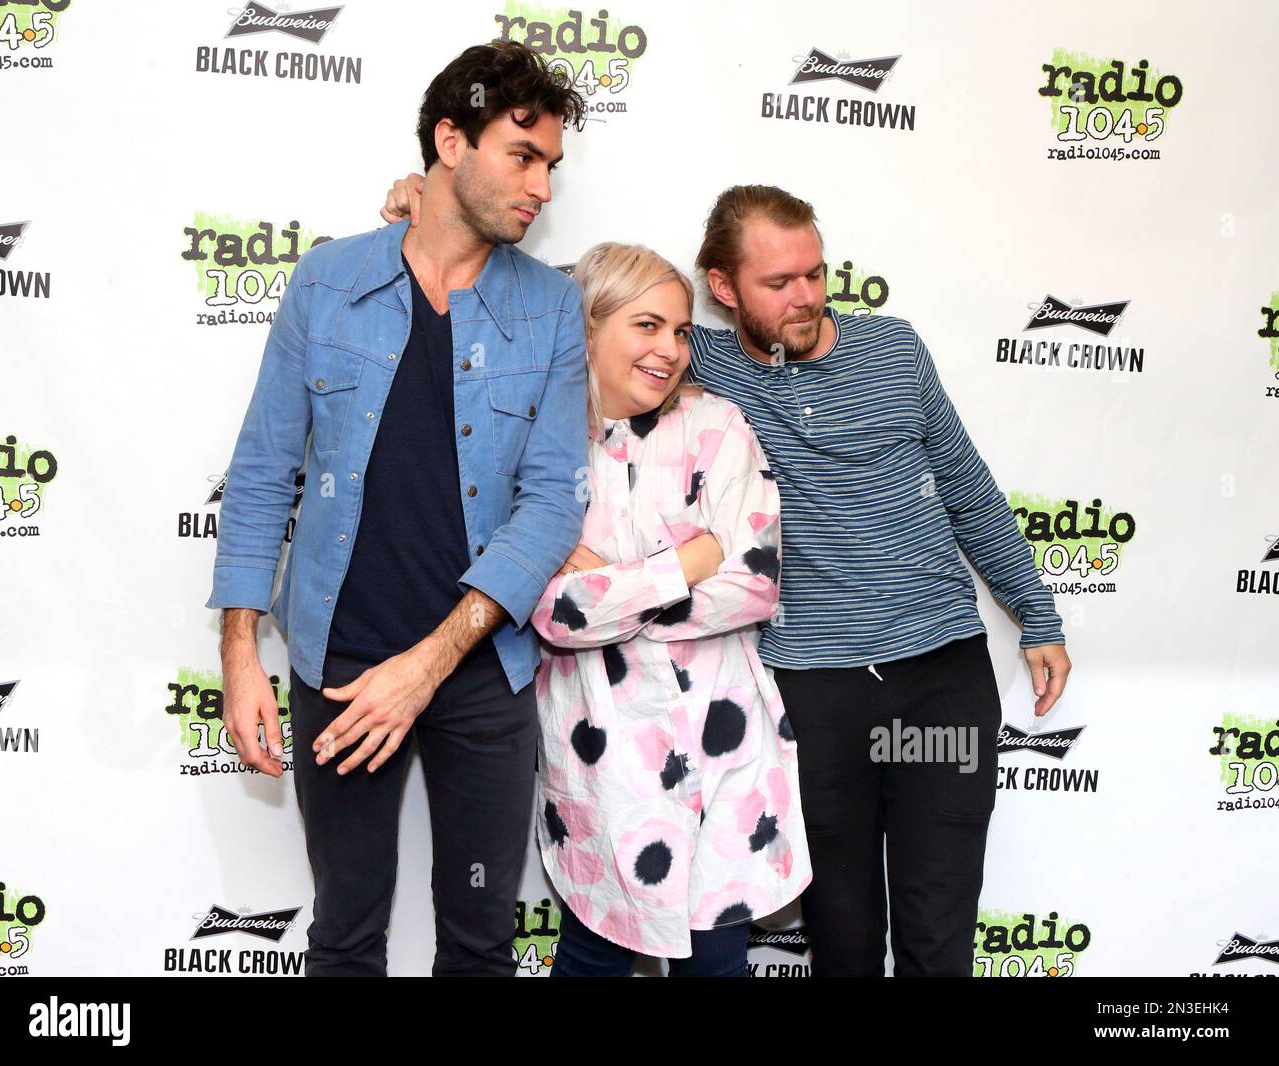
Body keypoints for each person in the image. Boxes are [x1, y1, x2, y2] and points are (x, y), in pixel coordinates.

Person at [380, 179, 1072, 977]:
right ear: (724, 290)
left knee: (939, 927)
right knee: (843, 938)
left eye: (815, 273)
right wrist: (438, 218)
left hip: (942, 670)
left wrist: (1037, 611)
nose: (804, 298)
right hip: (816, 687)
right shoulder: (692, 360)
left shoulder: (894, 350)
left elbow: (965, 486)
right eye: (777, 284)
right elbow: (585, 293)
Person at [206, 41, 589, 977]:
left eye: (552, 166)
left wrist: (426, 665)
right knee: (343, 935)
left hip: (478, 665)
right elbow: (262, 472)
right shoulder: (328, 282)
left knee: (478, 940)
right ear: (449, 141)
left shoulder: (549, 309)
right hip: (338, 659)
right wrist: (240, 655)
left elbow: (548, 507)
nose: (541, 186)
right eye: (522, 155)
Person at [528, 241, 811, 977]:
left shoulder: (717, 426)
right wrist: (687, 563)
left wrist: (613, 585)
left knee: (716, 962)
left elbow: (753, 583)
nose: (671, 350)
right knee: (593, 952)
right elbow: (555, 614)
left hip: (722, 749)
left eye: (682, 332)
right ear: (589, 326)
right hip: (602, 752)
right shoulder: (540, 443)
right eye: (647, 326)